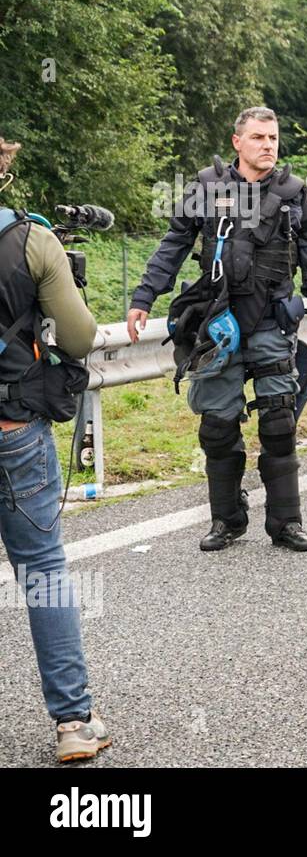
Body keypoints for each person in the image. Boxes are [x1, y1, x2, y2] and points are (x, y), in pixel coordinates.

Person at [127, 107, 307, 553]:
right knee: (218, 427)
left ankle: (286, 523)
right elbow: (175, 242)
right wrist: (144, 297)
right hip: (218, 324)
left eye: (273, 138)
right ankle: (226, 519)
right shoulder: (208, 187)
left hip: (272, 321)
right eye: (258, 137)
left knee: (278, 422)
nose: (268, 145)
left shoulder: (295, 193)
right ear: (237, 141)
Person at [0, 136, 111, 762]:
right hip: (14, 430)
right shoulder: (32, 240)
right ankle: (72, 724)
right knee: (42, 573)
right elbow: (80, 336)